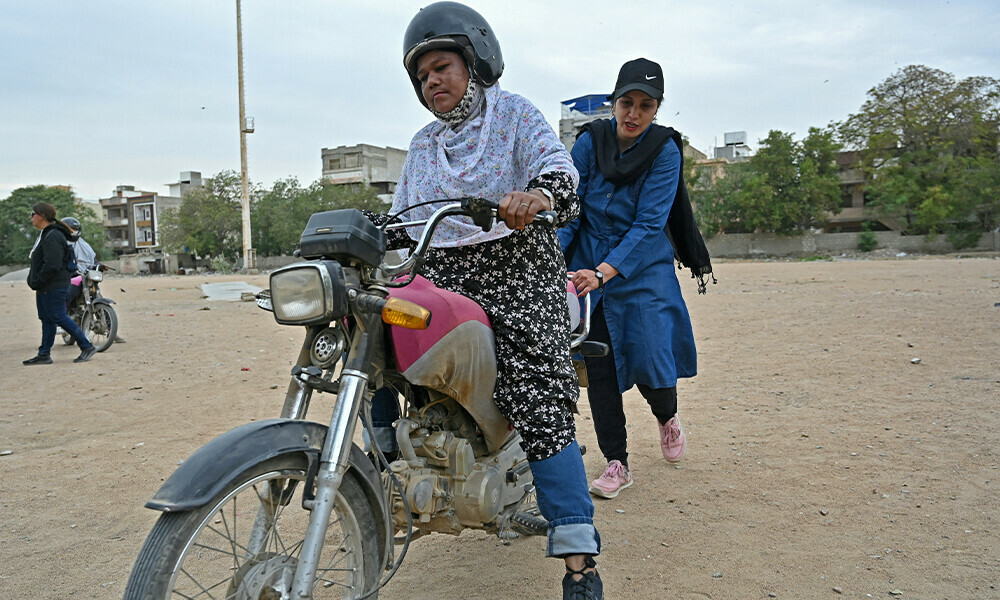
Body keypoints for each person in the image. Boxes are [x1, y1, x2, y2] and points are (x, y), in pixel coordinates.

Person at [365, 3, 603, 598]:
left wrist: (536, 196)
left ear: (475, 61)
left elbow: (560, 173)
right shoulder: (423, 145)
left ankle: (578, 555)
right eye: (422, 77)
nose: (431, 83)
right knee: (371, 349)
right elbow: (402, 219)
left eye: (441, 67)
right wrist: (367, 232)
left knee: (537, 391)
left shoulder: (516, 114)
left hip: (516, 265)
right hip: (440, 272)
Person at [559, 58, 707, 500]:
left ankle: (667, 417)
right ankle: (616, 463)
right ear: (614, 102)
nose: (634, 114)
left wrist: (605, 271)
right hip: (586, 265)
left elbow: (648, 225)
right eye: (627, 102)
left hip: (643, 267)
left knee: (652, 361)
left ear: (656, 109)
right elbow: (571, 208)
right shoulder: (589, 142)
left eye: (645, 105)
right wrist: (551, 255)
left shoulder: (665, 151)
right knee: (600, 366)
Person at [24, 202, 97, 364]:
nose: (31, 218)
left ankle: (86, 346)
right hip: (45, 286)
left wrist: (37, 280)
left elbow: (53, 265)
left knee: (58, 316)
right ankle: (44, 354)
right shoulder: (47, 234)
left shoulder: (53, 236)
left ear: (41, 216)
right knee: (47, 319)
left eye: (32, 214)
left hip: (53, 285)